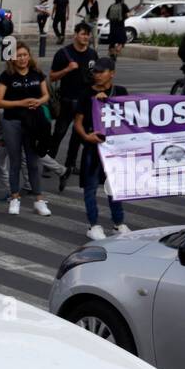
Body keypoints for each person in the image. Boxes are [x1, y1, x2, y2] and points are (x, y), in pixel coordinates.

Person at [73, 58, 130, 240]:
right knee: (90, 187)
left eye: (101, 71)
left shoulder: (120, 91)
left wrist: (109, 102)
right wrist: (86, 136)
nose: (97, 75)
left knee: (114, 186)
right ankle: (93, 225)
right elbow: (78, 122)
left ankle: (118, 223)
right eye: (95, 72)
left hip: (113, 147)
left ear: (111, 73)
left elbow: (129, 116)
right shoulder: (85, 93)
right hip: (93, 145)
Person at [0, 41, 53, 216]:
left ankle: (39, 200)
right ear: (12, 58)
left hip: (33, 122)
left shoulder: (37, 73)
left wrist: (38, 102)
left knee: (33, 161)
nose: (22, 59)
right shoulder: (6, 76)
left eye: (25, 55)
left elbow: (46, 95)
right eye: (18, 55)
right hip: (12, 121)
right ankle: (14, 198)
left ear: (29, 56)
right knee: (15, 161)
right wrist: (21, 103)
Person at [48, 22, 100, 190]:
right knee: (59, 132)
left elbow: (97, 76)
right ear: (76, 34)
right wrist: (67, 70)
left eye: (88, 34)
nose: (86, 37)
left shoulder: (93, 54)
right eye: (83, 34)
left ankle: (70, 165)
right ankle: (49, 161)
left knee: (78, 136)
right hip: (67, 100)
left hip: (85, 102)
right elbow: (53, 77)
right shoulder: (64, 53)